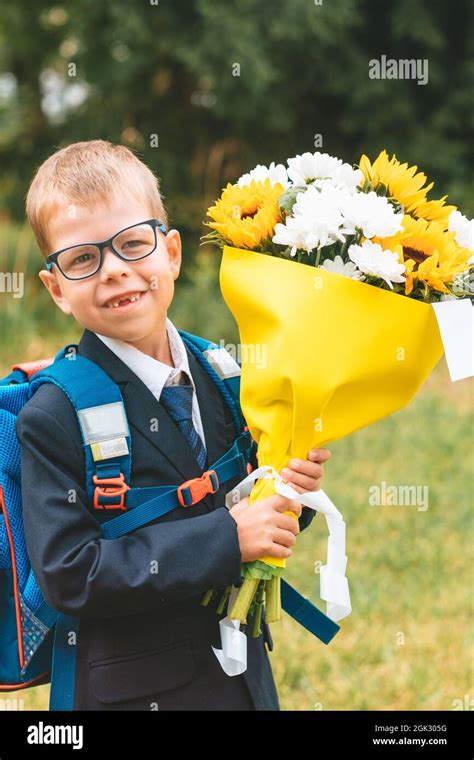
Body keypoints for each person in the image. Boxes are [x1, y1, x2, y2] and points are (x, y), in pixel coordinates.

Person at [16, 139, 331, 710]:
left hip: (243, 681)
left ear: (173, 253)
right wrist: (228, 538)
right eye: (83, 259)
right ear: (57, 289)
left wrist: (290, 490)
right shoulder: (53, 416)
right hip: (135, 694)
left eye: (133, 244)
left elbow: (261, 507)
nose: (114, 270)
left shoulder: (231, 375)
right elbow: (71, 574)